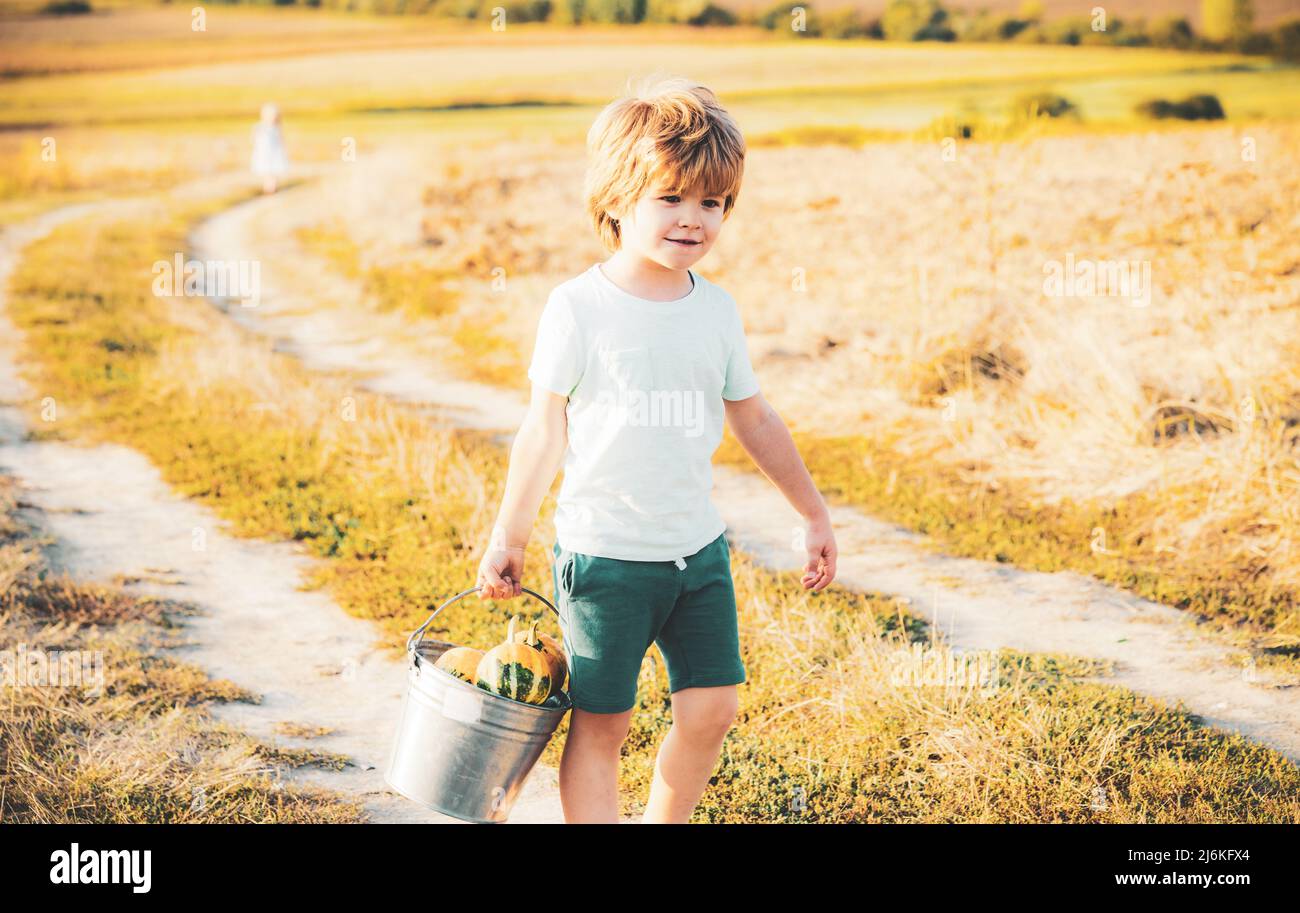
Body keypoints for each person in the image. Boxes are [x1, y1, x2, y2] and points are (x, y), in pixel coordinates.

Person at [475, 74, 837, 824]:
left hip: (697, 556)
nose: (694, 219)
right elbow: (544, 430)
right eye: (671, 197)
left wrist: (813, 512)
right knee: (603, 723)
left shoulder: (716, 310)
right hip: (605, 558)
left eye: (714, 202)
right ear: (616, 199)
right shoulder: (579, 308)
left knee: (712, 709)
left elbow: (756, 417)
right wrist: (508, 534)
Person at [250, 102, 288, 194]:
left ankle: (271, 188)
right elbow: (254, 138)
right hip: (264, 153)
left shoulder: (277, 127)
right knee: (267, 173)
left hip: (274, 153)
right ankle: (268, 188)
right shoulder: (260, 127)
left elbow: (280, 140)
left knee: (272, 172)